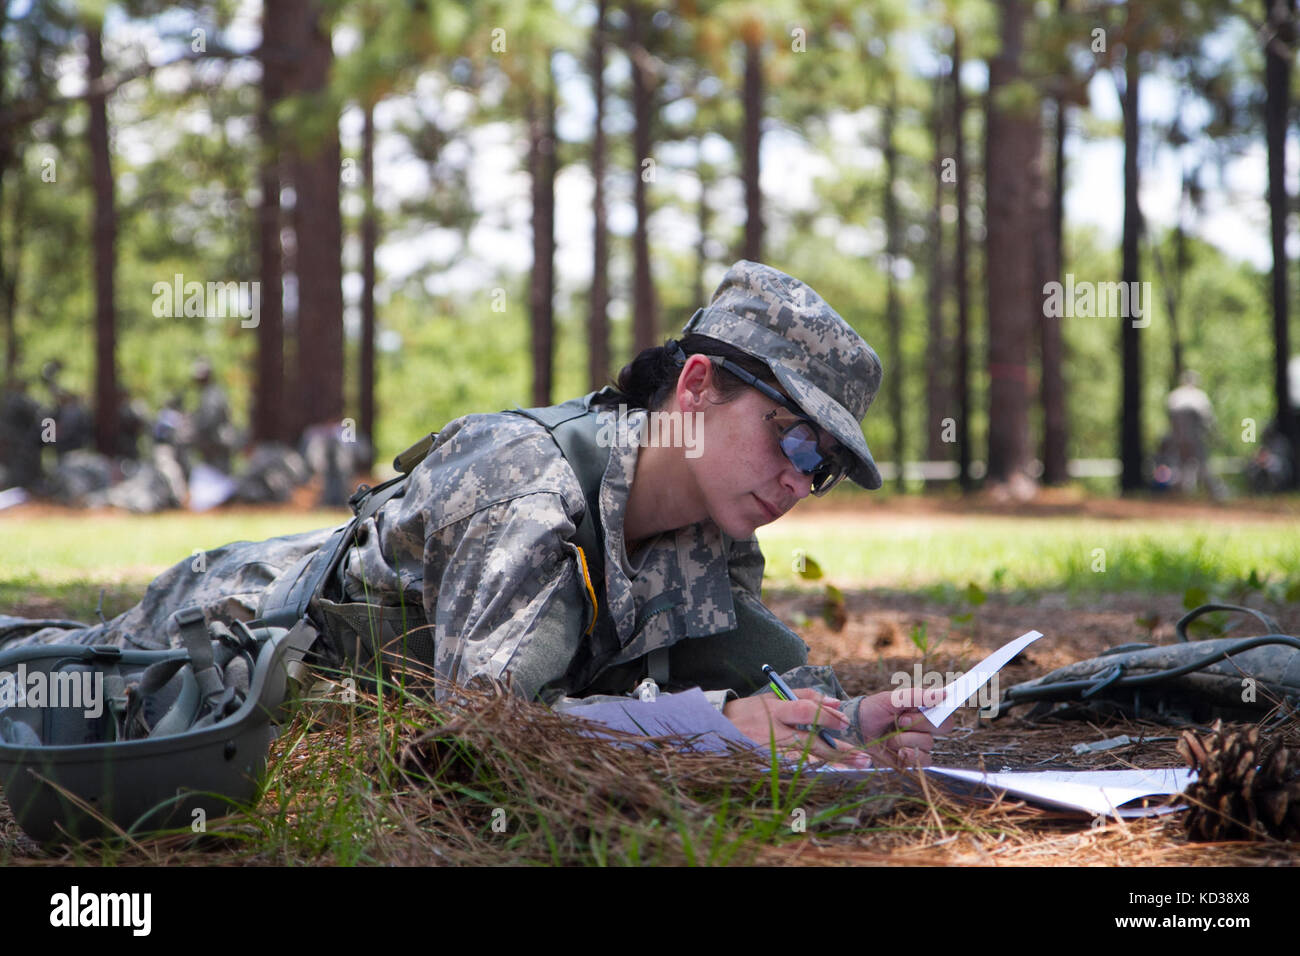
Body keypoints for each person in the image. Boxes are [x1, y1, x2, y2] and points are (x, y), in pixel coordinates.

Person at [0, 262, 948, 766]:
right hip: (218, 633)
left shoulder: (712, 520)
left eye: (820, 466)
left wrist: (844, 718)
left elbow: (752, 676)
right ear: (697, 385)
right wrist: (715, 731)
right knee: (33, 681)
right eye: (790, 436)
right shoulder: (525, 483)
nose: (796, 480)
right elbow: (491, 730)